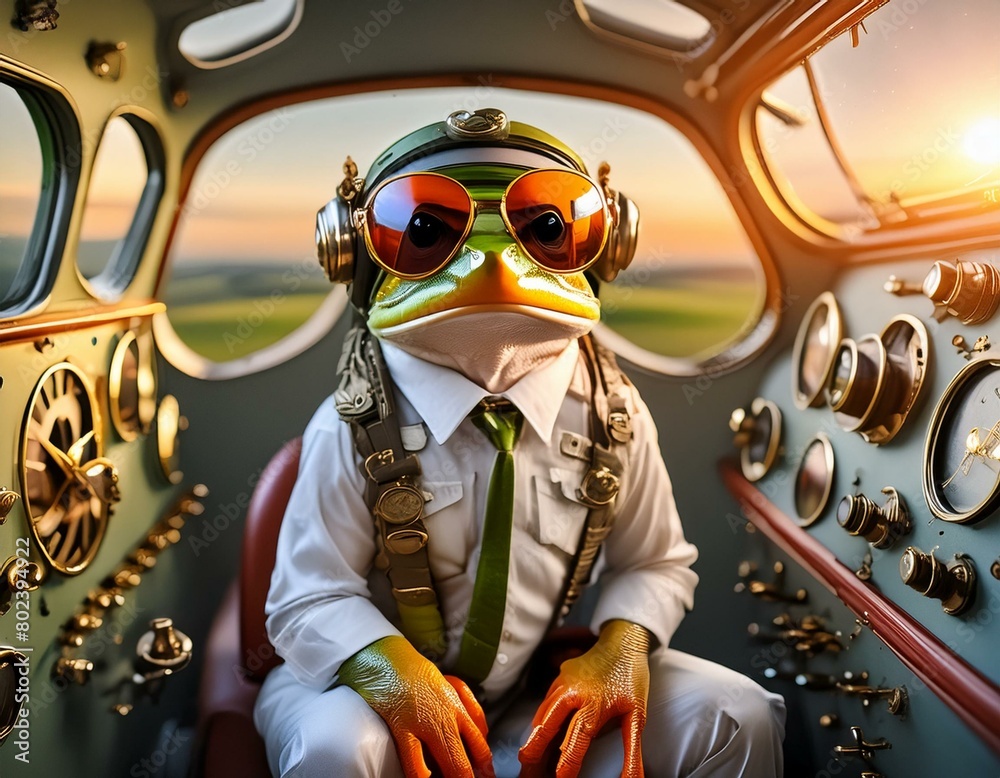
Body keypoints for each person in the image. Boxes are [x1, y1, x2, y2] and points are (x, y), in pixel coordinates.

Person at [254, 108, 785, 777]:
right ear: (355, 253)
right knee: (335, 750)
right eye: (424, 230)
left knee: (737, 715)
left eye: (547, 228)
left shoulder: (610, 415)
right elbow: (307, 596)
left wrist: (619, 649)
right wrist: (389, 672)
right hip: (355, 689)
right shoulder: (351, 424)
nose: (492, 263)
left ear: (604, 246)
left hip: (526, 686)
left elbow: (656, 563)